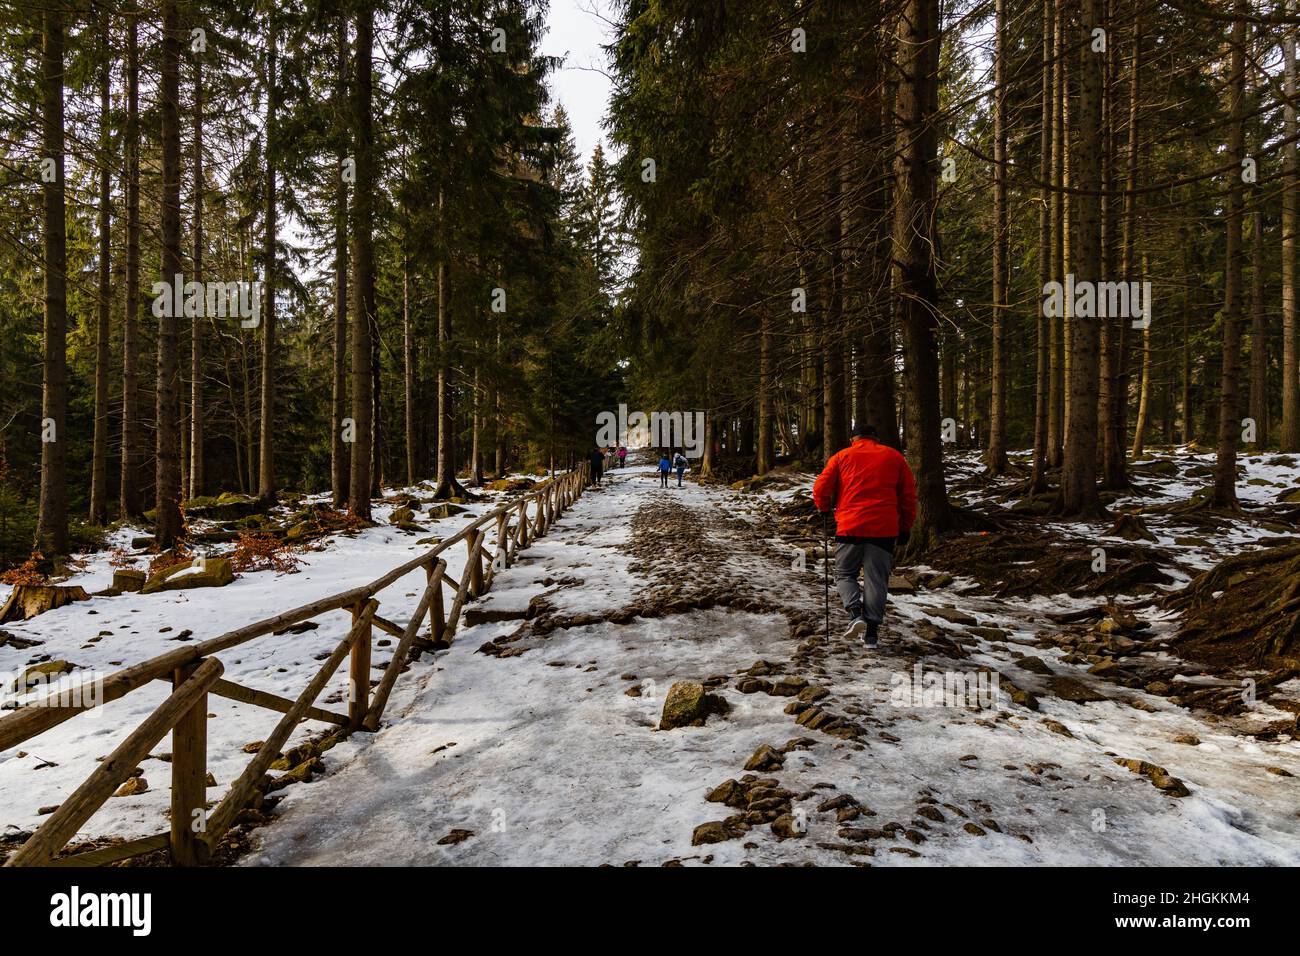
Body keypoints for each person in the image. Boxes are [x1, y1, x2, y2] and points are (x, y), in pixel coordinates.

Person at [812, 423, 917, 647]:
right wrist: (906, 526)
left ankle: (855, 612)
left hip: (851, 526)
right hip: (884, 529)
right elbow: (908, 495)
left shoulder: (842, 456)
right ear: (876, 438)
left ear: (853, 439)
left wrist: (823, 508)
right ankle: (871, 634)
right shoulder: (894, 457)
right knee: (876, 580)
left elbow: (821, 486)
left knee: (843, 574)